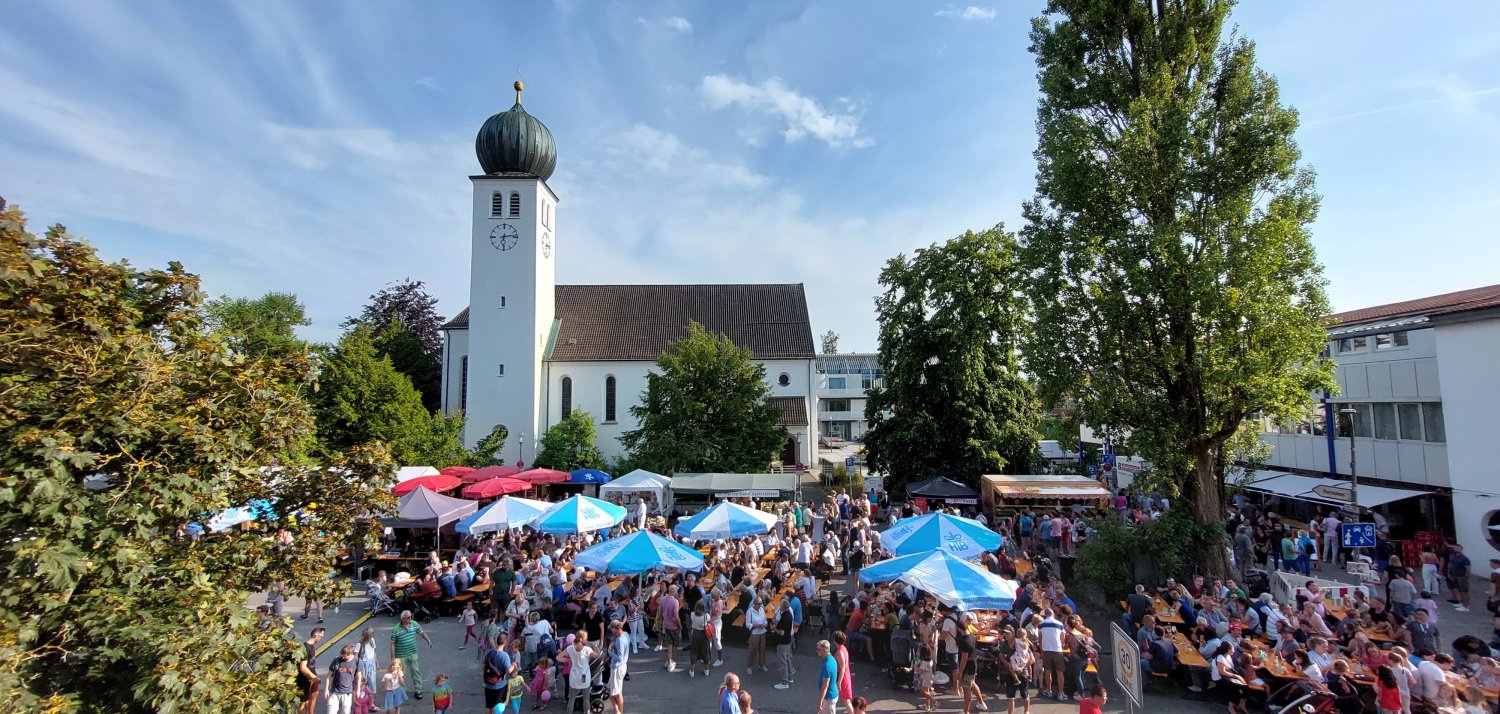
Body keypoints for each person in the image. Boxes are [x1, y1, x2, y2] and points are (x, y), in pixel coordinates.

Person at [391, 611, 435, 700]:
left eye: (410, 617)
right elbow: (392, 644)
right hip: (401, 655)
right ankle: (402, 691)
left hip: (412, 653)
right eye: (409, 617)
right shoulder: (396, 629)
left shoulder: (414, 624)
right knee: (401, 674)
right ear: (403, 619)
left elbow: (421, 632)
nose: (411, 618)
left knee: (416, 671)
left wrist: (428, 640)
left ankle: (418, 690)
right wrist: (393, 658)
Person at [560, 630, 601, 714]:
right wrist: (596, 646)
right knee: (586, 699)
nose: (587, 639)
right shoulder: (587, 649)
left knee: (571, 699)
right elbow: (598, 656)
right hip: (584, 676)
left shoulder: (570, 648)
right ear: (581, 639)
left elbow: (558, 657)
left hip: (574, 676)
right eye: (586, 638)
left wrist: (568, 660)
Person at [324, 644, 362, 714]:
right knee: (331, 711)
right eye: (342, 655)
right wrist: (326, 689)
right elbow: (328, 675)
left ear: (350, 654)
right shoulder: (336, 660)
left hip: (347, 692)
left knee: (346, 712)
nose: (343, 657)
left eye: (345, 656)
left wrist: (358, 689)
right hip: (335, 691)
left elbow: (358, 676)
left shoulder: (357, 661)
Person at [483, 631, 515, 713]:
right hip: (499, 686)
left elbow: (483, 667)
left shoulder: (489, 652)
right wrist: (514, 665)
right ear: (506, 642)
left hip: (488, 685)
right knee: (498, 708)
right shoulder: (504, 656)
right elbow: (509, 671)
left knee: (488, 707)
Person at [299, 627, 326, 714]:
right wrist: (314, 677)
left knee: (315, 694)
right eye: (321, 637)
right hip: (306, 677)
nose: (321, 639)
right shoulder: (305, 648)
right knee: (303, 700)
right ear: (316, 635)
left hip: (312, 674)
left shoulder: (311, 646)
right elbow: (303, 667)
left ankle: (310, 712)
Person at [607, 619, 629, 714]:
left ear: (613, 629)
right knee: (610, 689)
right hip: (622, 666)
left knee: (617, 692)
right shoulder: (626, 634)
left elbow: (619, 658)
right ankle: (617, 710)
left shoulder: (619, 641)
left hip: (617, 668)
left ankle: (620, 711)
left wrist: (610, 653)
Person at [771, 599, 795, 689]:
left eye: (780, 606)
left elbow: (781, 632)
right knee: (788, 658)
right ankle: (790, 677)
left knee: (783, 661)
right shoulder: (788, 615)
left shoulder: (784, 617)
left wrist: (774, 628)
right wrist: (777, 624)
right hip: (788, 640)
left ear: (783, 607)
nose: (779, 607)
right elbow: (783, 625)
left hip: (782, 641)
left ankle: (785, 682)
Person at [660, 585, 682, 673]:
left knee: (669, 644)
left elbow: (660, 611)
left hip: (666, 625)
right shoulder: (675, 602)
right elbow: (676, 616)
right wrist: (679, 625)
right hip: (674, 626)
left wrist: (664, 619)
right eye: (676, 591)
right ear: (673, 591)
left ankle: (669, 660)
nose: (677, 592)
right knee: (675, 643)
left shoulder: (663, 599)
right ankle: (670, 660)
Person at [817, 640, 839, 714]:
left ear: (825, 650)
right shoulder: (831, 659)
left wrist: (820, 700)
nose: (817, 651)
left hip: (828, 698)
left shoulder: (826, 665)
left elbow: (825, 685)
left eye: (819, 650)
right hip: (831, 695)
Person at [916, 645, 937, 711]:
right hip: (930, 678)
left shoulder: (924, 662)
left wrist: (916, 667)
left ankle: (934, 701)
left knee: (923, 691)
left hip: (926, 679)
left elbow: (921, 671)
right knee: (927, 691)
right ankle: (927, 705)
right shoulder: (930, 660)